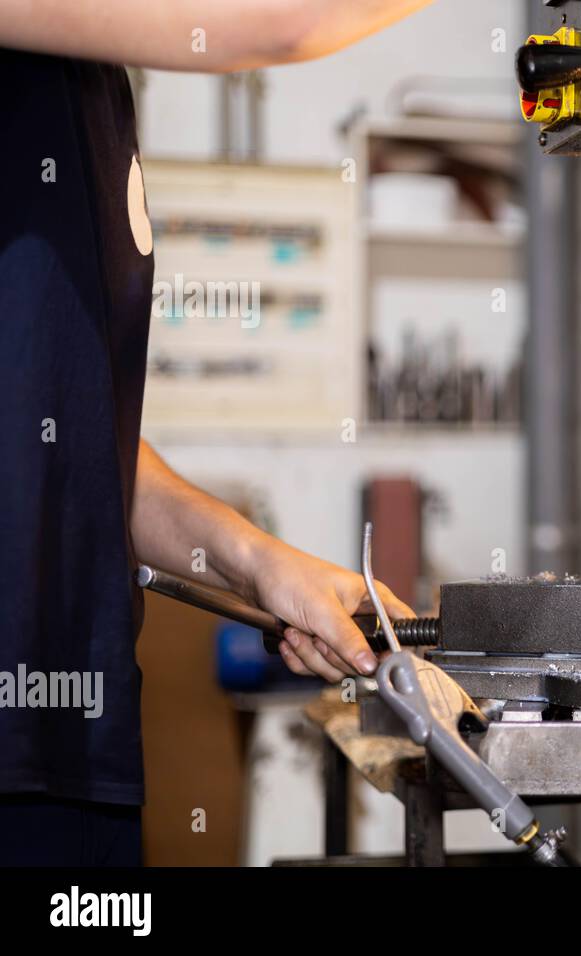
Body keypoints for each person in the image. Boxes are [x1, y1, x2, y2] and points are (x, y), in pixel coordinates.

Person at [0, 0, 439, 865]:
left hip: (66, 739)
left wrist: (255, 563)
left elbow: (69, 446)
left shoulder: (77, 86)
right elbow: (281, 21)